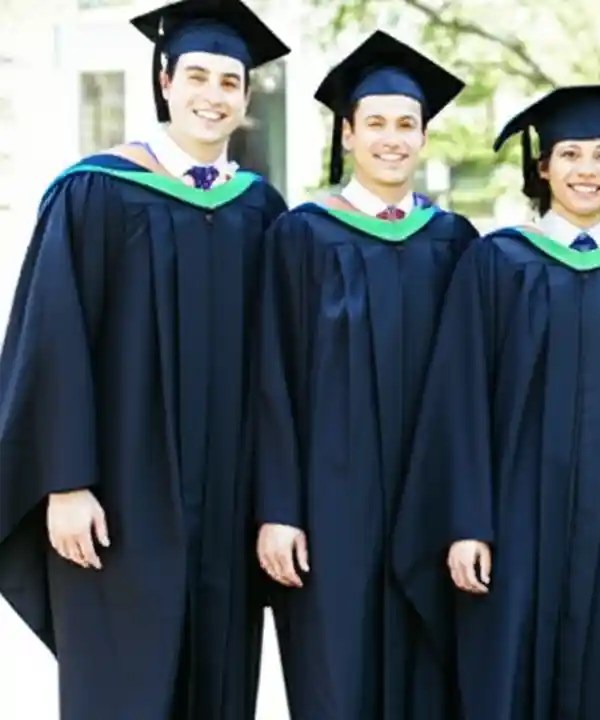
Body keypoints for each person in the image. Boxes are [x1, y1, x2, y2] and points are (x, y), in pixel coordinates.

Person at [0, 1, 288, 717]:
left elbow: (283, 367)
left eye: (229, 82)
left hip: (227, 501)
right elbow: (52, 339)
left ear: (246, 98)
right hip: (118, 500)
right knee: (121, 687)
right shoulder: (93, 192)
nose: (212, 95)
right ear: (164, 80)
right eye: (197, 75)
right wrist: (65, 483)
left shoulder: (260, 211)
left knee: (217, 683)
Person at [392, 83, 600, 720]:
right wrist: (467, 521)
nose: (587, 170)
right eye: (571, 154)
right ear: (543, 166)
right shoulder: (495, 263)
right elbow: (458, 399)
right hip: (512, 522)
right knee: (506, 677)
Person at [253, 30, 476, 720]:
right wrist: (279, 509)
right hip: (329, 508)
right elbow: (271, 379)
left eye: (405, 124)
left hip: (429, 505)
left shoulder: (455, 242)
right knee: (335, 680)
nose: (391, 138)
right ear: (347, 134)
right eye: (374, 123)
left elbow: (474, 390)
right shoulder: (302, 235)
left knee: (427, 680)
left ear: (424, 137)